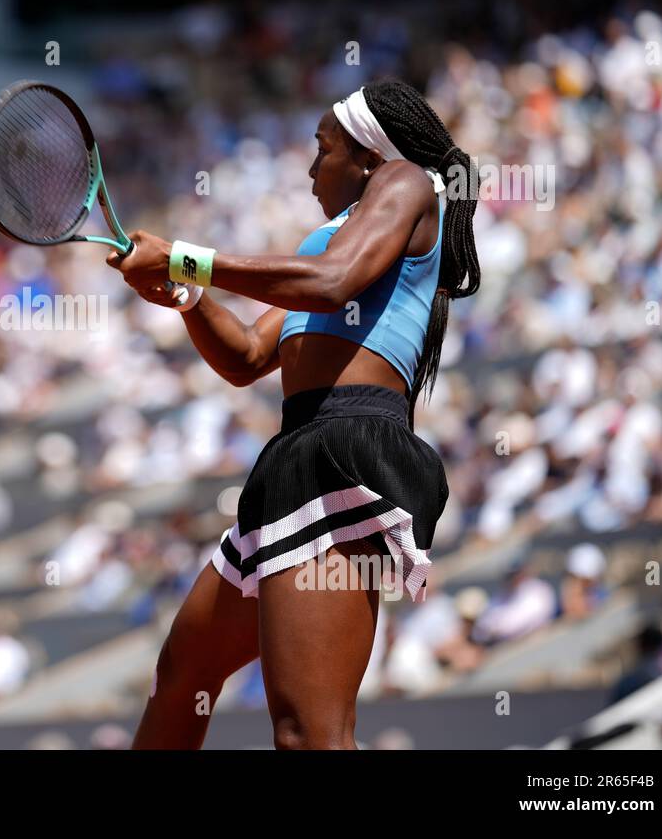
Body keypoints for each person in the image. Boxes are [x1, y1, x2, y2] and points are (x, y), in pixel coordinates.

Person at [108, 81, 479, 749]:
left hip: (342, 450)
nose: (311, 168)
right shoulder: (328, 248)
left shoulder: (407, 182)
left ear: (367, 157)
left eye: (322, 149)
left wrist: (187, 255)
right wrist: (187, 293)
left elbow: (334, 280)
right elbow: (249, 355)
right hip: (297, 454)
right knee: (184, 671)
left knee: (309, 735)